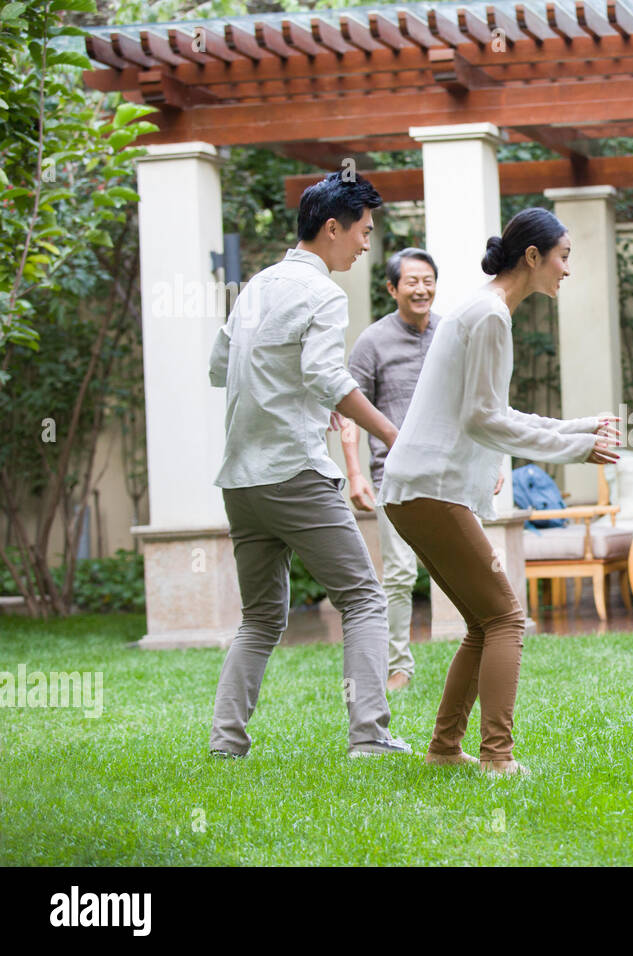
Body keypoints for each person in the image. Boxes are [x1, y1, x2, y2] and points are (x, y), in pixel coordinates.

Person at [380, 207, 620, 775]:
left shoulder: (484, 310)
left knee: (485, 622)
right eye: (563, 257)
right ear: (533, 258)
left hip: (419, 488)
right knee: (507, 620)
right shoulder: (489, 315)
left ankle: (444, 750)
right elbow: (484, 418)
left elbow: (492, 412)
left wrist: (576, 428)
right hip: (428, 489)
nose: (567, 270)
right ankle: (497, 758)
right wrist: (576, 449)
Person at [207, 171, 411, 759]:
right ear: (332, 228)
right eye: (364, 231)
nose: (367, 244)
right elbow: (326, 376)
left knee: (261, 619)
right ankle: (370, 738)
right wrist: (389, 432)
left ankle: (226, 747)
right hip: (294, 475)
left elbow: (222, 366)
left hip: (241, 479)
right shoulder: (323, 293)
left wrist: (294, 393)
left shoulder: (255, 287)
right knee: (364, 599)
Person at [342, 247, 443, 694]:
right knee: (401, 573)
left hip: (449, 474)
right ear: (391, 288)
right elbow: (349, 410)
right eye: (411, 282)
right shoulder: (372, 342)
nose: (421, 289)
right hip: (394, 477)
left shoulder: (450, 335)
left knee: (467, 567)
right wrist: (354, 472)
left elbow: (476, 402)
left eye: (427, 281)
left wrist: (490, 461)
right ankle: (399, 666)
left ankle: (481, 646)